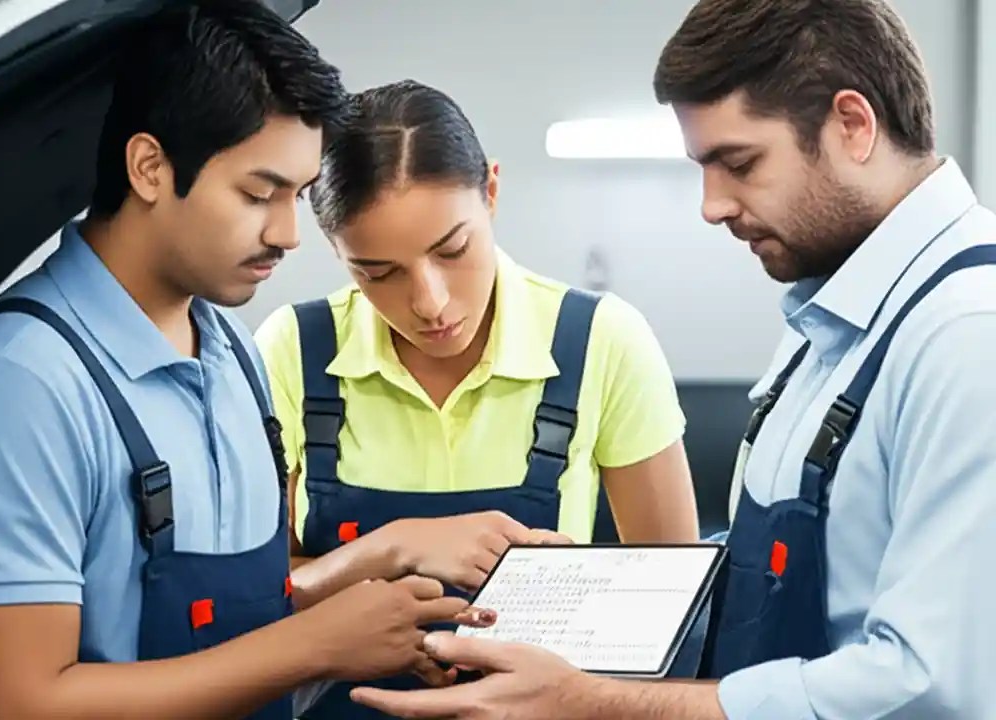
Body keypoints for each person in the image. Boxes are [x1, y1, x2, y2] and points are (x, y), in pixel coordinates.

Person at [347, 1, 996, 718]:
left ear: (852, 125)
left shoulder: (968, 335)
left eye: (739, 163)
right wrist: (572, 595)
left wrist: (591, 702)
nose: (711, 206)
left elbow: (932, 688)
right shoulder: (835, 322)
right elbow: (770, 581)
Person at [0, 3, 480, 719]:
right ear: (150, 167)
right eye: (259, 193)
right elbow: (20, 705)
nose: (288, 233)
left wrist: (378, 590)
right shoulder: (18, 381)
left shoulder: (235, 353)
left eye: (299, 195)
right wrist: (313, 646)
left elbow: (242, 620)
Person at [252, 79, 702, 719]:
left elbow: (670, 604)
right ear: (335, 249)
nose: (429, 303)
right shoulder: (291, 350)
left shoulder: (604, 341)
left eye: (453, 249)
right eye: (378, 272)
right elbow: (256, 604)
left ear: (491, 191)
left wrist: (580, 592)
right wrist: (392, 548)